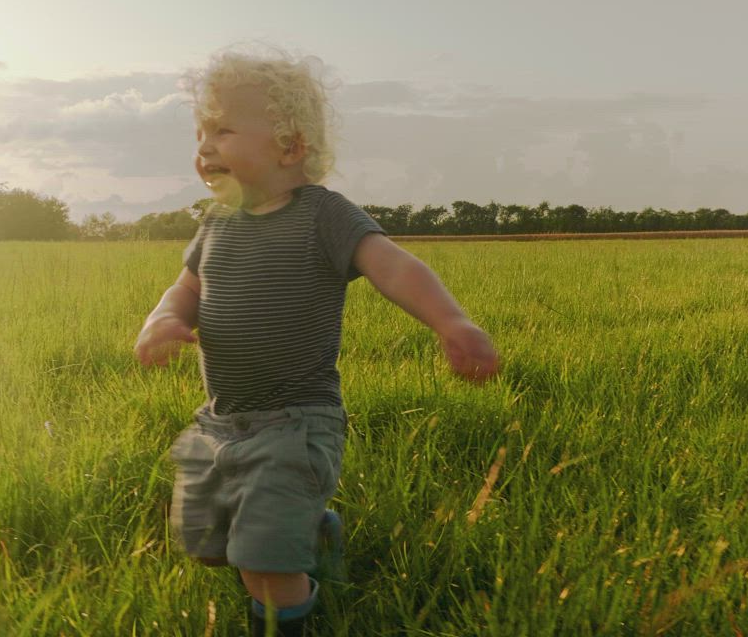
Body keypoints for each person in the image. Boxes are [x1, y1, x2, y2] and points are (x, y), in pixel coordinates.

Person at [133, 48, 500, 636]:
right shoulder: (215, 223)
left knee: (264, 564)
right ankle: (309, 527)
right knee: (204, 544)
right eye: (200, 132)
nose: (204, 145)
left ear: (289, 146)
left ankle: (286, 592)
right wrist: (160, 322)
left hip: (294, 423)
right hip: (218, 422)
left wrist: (452, 323)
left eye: (223, 129)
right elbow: (186, 288)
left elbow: (394, 267)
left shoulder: (322, 216)